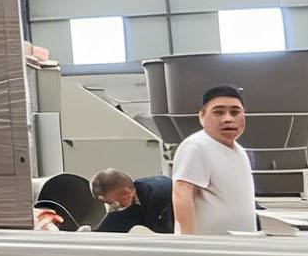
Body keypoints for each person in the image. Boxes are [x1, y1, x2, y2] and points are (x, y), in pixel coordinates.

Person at [171, 84, 257, 235]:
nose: (228, 119)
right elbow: (182, 193)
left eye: (235, 112)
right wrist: (188, 241)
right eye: (218, 112)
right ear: (202, 116)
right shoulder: (196, 146)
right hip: (208, 246)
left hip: (239, 243)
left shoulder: (240, 151)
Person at [90, 168, 175, 235]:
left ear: (127, 193)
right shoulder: (134, 195)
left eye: (114, 203)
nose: (114, 207)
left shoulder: (160, 194)